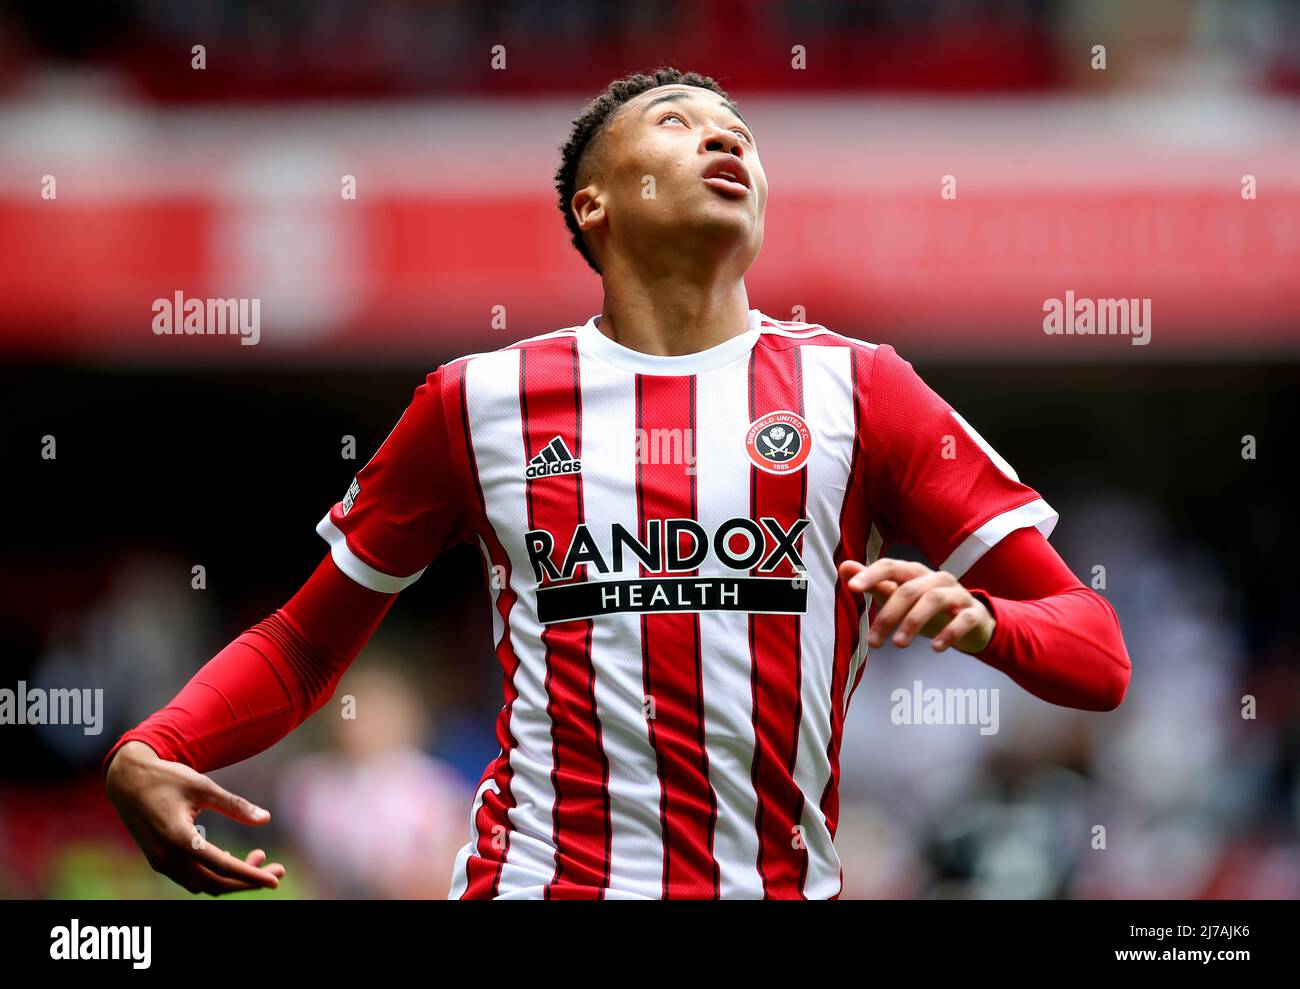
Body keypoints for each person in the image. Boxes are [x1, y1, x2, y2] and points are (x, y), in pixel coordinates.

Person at [104, 68, 1131, 900]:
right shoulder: (476, 402)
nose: (724, 138)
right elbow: (306, 642)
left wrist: (986, 620)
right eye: (678, 122)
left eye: (739, 132)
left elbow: (1097, 652)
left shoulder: (863, 390)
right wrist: (155, 745)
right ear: (592, 203)